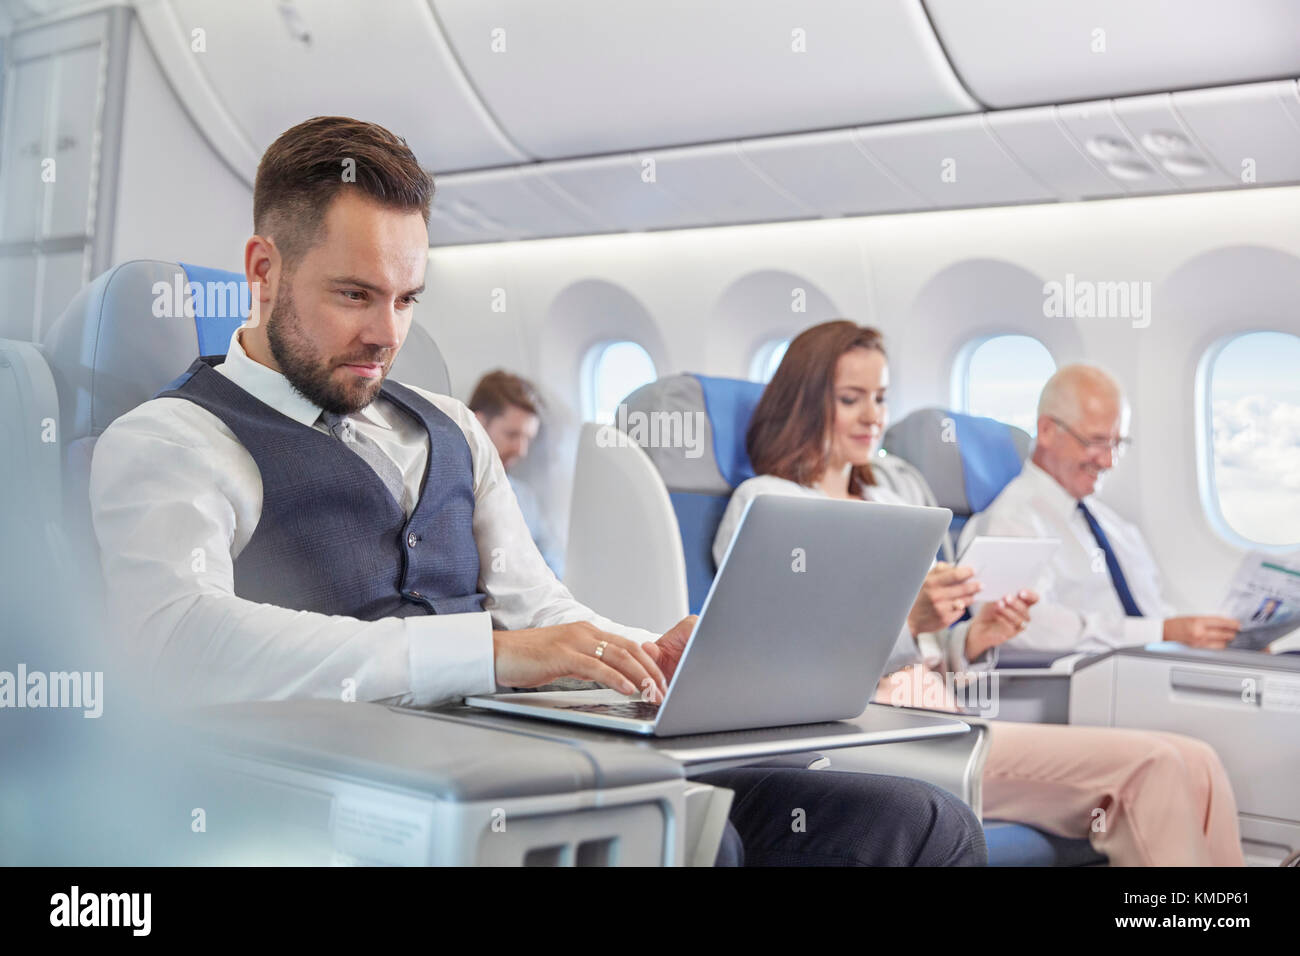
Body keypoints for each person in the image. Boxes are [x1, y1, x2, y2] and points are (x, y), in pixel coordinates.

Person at [89, 116, 985, 867]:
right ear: (263, 269)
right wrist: (489, 654)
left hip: (545, 753)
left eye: (407, 299)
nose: (384, 333)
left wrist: (657, 656)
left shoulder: (450, 426)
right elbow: (177, 641)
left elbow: (540, 609)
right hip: (360, 795)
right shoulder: (175, 438)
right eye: (355, 294)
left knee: (919, 821)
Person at [715, 321, 1244, 865]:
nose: (873, 416)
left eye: (880, 398)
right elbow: (784, 659)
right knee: (1153, 765)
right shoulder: (767, 503)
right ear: (802, 402)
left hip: (942, 710)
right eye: (851, 399)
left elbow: (930, 651)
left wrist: (972, 638)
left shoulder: (894, 493)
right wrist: (913, 623)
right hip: (867, 730)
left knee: (1197, 758)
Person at [960, 364, 1242, 655]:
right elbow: (1023, 627)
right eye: (1096, 442)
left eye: (1116, 443)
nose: (1108, 461)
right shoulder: (1010, 521)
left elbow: (1152, 610)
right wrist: (1163, 632)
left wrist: (1208, 638)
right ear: (1046, 431)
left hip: (1148, 667)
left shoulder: (1113, 526)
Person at [468, 370, 564, 577]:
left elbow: (553, 566)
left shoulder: (524, 497)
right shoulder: (451, 490)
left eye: (528, 438)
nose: (521, 450)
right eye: (512, 435)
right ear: (478, 424)